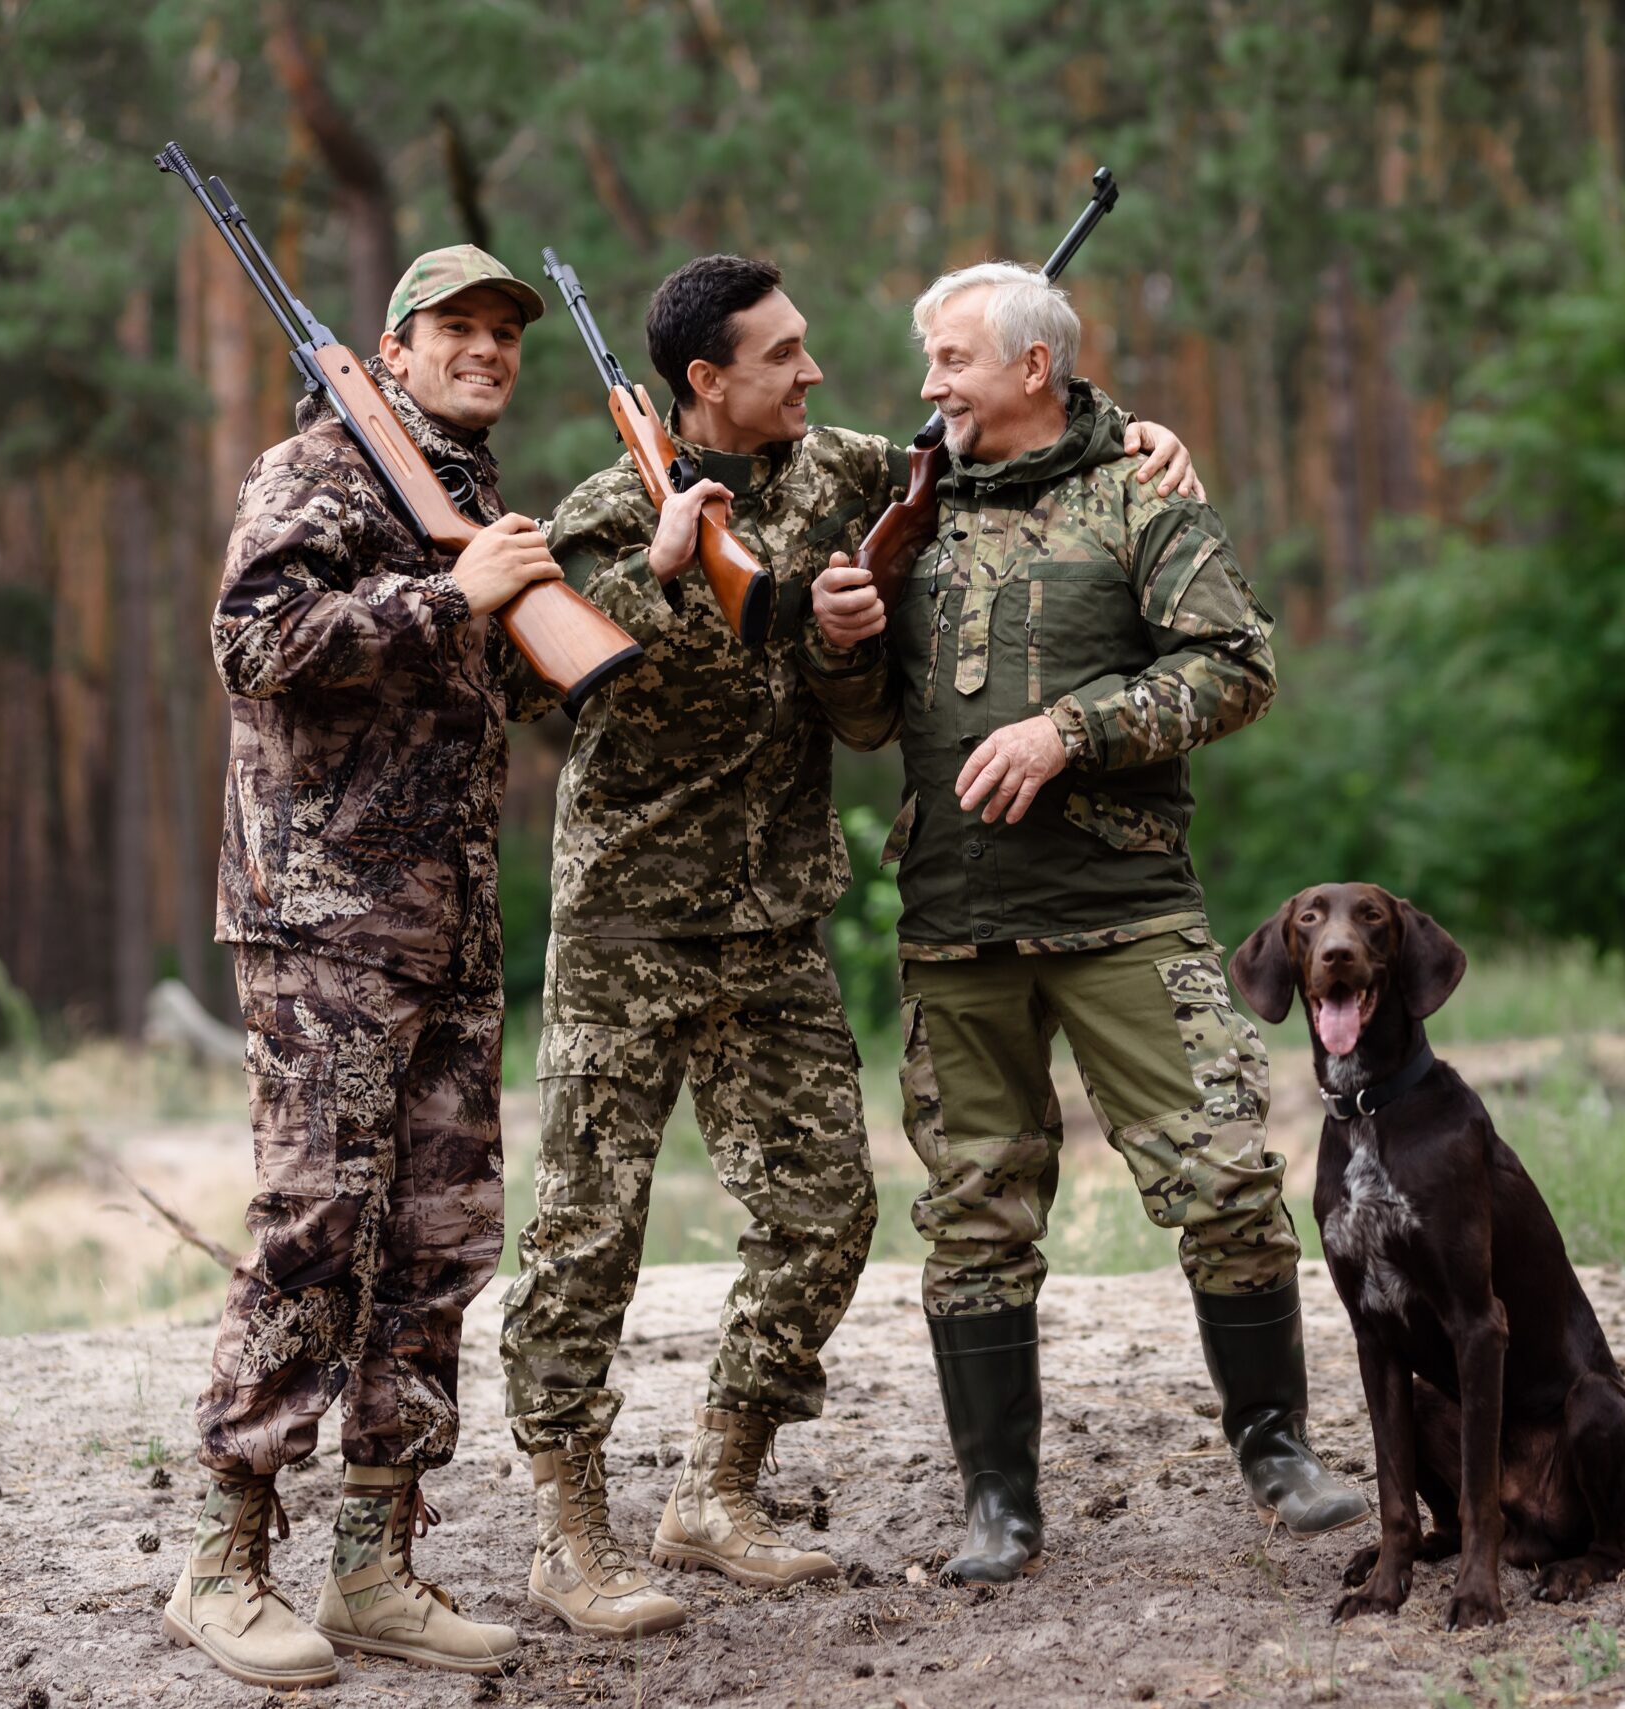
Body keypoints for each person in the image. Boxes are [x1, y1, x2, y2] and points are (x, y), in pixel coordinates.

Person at [497, 253, 1202, 1635]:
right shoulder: (600, 513)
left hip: (778, 921)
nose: (814, 372)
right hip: (630, 926)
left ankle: (717, 1485)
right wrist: (659, 579)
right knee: (586, 1236)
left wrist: (1134, 431)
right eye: (783, 355)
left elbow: (990, 444)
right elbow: (543, 690)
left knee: (828, 1216)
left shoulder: (838, 473)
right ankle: (568, 1530)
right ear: (707, 383)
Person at [813, 261, 1366, 1585]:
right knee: (974, 1217)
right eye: (927, 357)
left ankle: (1277, 1446)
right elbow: (869, 721)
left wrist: (1071, 729)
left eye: (951, 357)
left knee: (1226, 1180)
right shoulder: (910, 509)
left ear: (1033, 370)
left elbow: (1240, 666)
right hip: (956, 926)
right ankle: (998, 1501)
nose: (930, 379)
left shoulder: (1141, 492)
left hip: (1125, 913)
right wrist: (840, 639)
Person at [167, 246, 570, 1686]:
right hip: (323, 922)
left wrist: (531, 594)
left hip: (450, 929)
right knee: (314, 1229)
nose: (485, 349)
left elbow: (510, 682)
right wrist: (450, 595)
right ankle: (223, 1560)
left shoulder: (461, 496)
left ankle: (376, 1562)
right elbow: (253, 639)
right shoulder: (313, 473)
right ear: (393, 350)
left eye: (502, 333)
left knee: (442, 1241)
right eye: (455, 328)